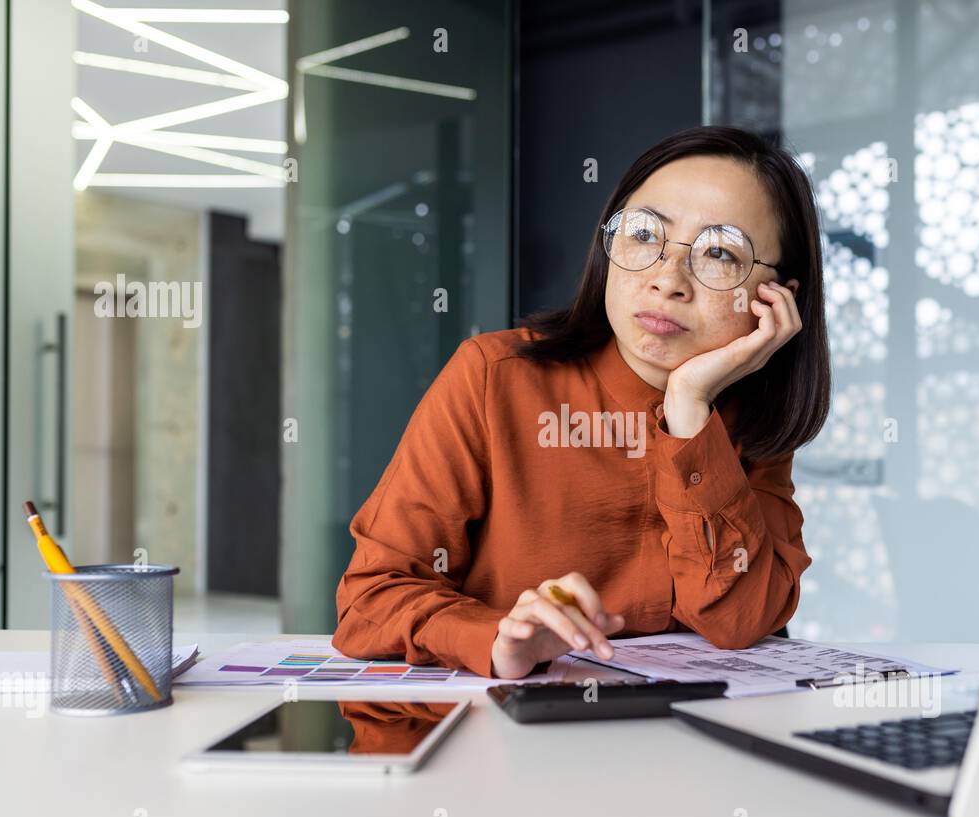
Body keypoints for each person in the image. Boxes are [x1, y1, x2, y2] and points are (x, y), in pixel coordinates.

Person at [334, 125, 831, 680]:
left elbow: (739, 620)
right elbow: (370, 601)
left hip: (681, 744)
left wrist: (690, 407)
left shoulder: (752, 415)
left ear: (778, 295)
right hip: (508, 734)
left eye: (720, 252)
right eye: (645, 234)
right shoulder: (492, 377)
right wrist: (498, 638)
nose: (668, 279)